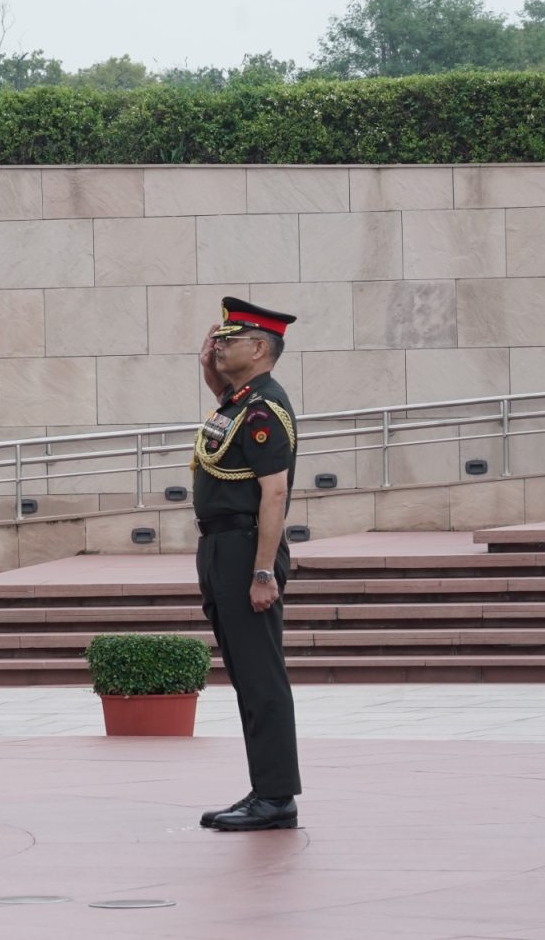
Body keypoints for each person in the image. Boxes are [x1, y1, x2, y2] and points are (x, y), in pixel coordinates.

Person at [192, 298, 302, 831]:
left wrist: (263, 572)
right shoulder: (239, 400)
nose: (219, 346)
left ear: (259, 348)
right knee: (246, 677)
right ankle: (264, 789)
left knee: (262, 678)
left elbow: (274, 495)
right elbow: (218, 401)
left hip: (245, 552)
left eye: (229, 341)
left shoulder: (264, 410)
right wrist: (208, 363)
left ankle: (277, 797)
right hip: (220, 549)